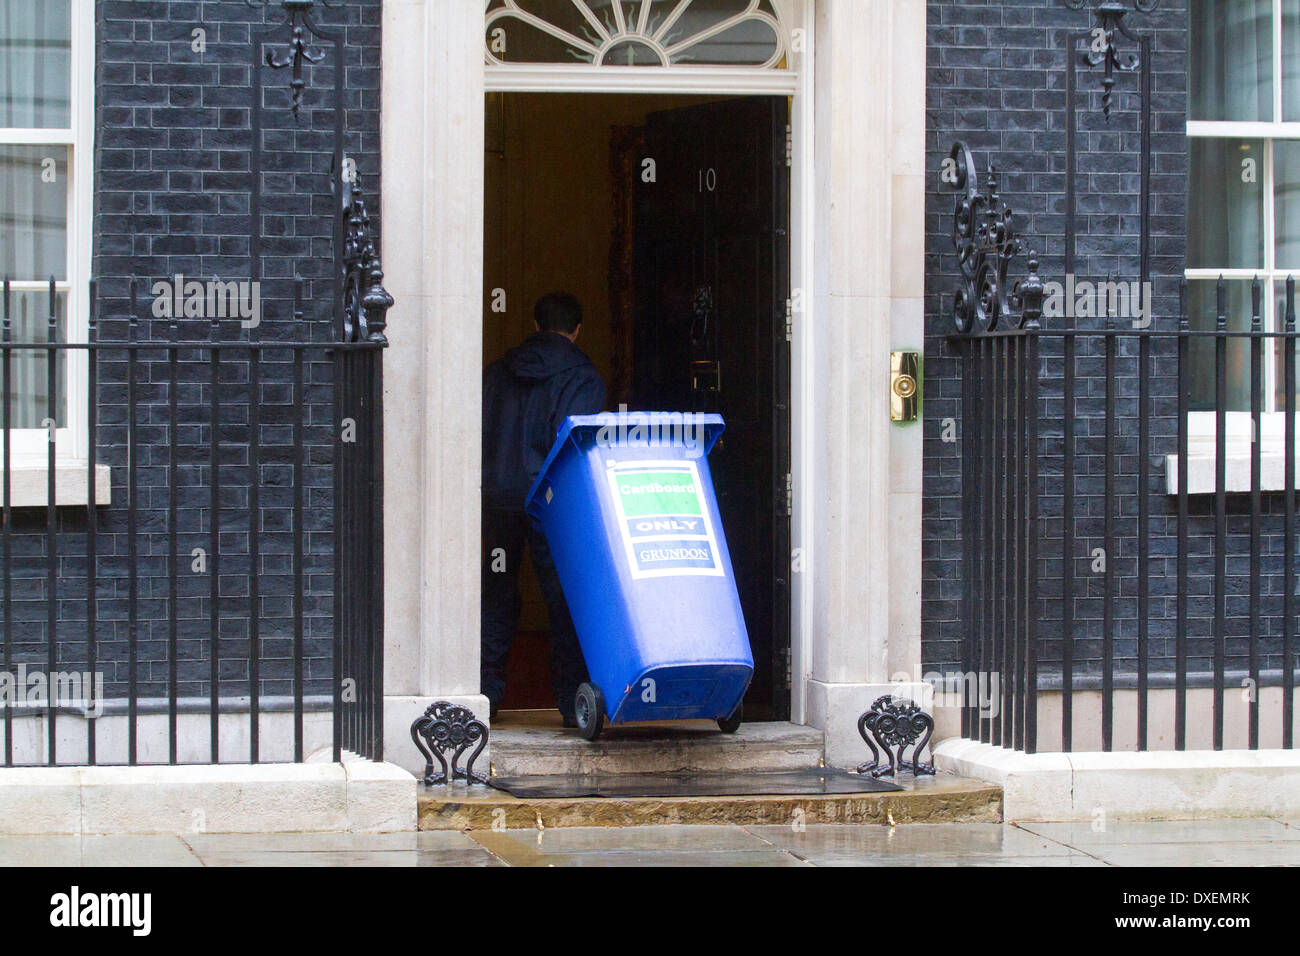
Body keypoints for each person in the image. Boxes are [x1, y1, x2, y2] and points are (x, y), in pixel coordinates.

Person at [481, 292, 606, 726]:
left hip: (498, 499)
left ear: (535, 325)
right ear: (577, 330)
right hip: (550, 503)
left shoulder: (498, 372)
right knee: (563, 598)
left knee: (497, 590)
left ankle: (484, 693)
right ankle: (573, 701)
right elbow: (574, 448)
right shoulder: (584, 378)